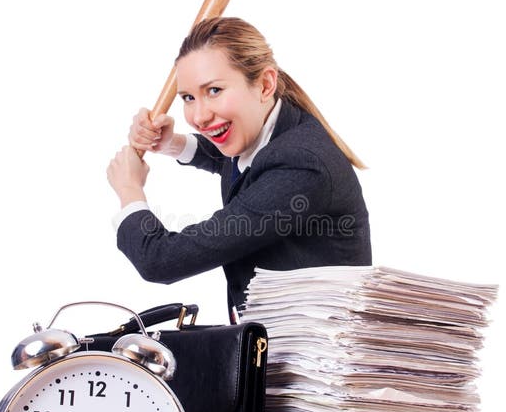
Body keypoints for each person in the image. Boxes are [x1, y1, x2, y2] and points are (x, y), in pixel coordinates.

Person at [107, 17, 372, 315]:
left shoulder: (301, 166)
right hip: (272, 346)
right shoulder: (278, 128)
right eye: (188, 97)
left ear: (265, 84)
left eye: (214, 91)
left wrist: (129, 190)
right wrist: (173, 144)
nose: (199, 116)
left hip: (314, 355)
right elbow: (238, 159)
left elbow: (159, 259)